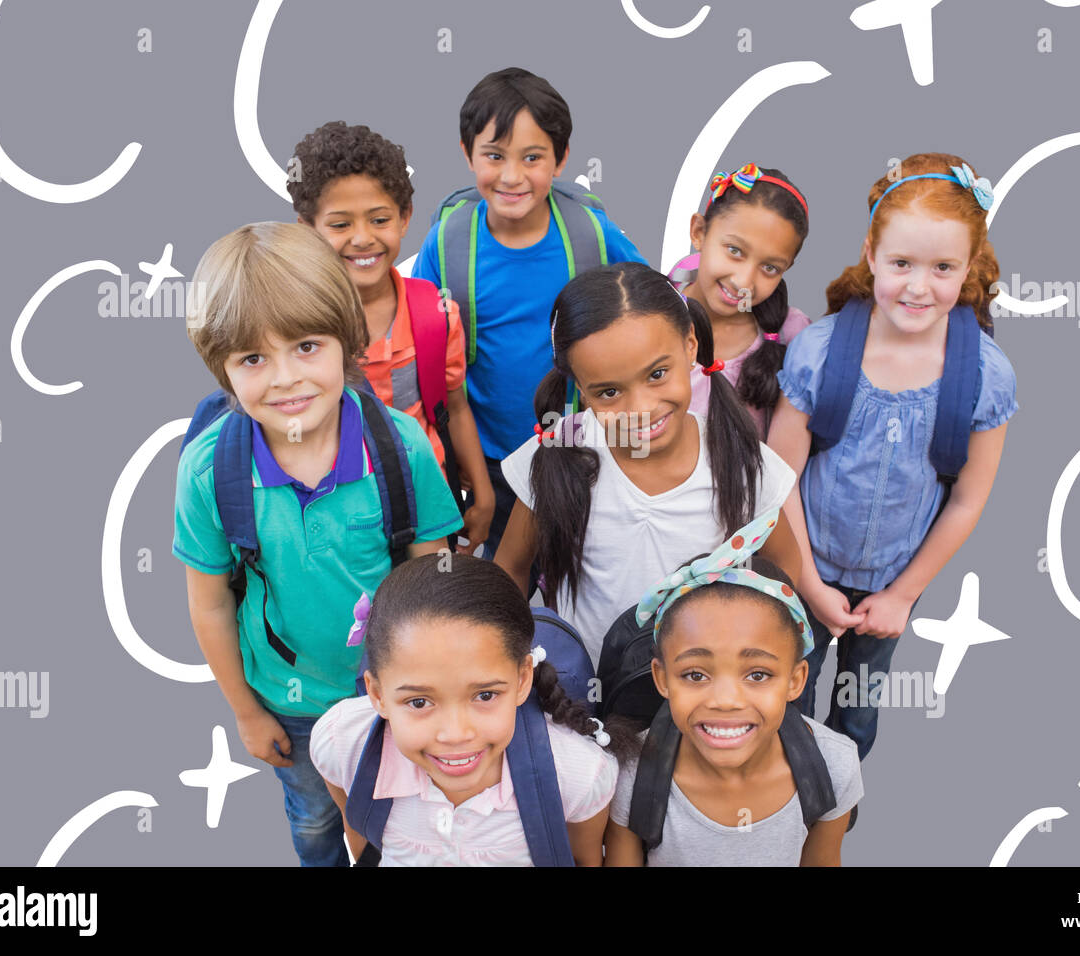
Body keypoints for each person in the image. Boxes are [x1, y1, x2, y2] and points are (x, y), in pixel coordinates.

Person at [174, 222, 462, 865]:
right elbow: (211, 603)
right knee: (314, 824)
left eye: (306, 346)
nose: (284, 379)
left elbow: (437, 581)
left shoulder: (401, 449)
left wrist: (436, 694)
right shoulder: (206, 473)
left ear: (346, 342)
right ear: (222, 368)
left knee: (400, 827)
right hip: (288, 701)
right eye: (253, 359)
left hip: (397, 697)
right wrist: (246, 712)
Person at [766, 153, 1019, 759]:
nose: (918, 285)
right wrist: (807, 583)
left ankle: (833, 818)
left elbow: (967, 500)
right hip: (803, 568)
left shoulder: (985, 376)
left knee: (857, 715)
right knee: (781, 709)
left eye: (942, 267)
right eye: (901, 262)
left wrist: (903, 595)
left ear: (969, 267)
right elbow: (777, 478)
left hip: (899, 577)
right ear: (871, 253)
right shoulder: (820, 352)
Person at [494, 261, 801, 666]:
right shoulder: (555, 455)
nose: (639, 409)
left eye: (657, 374)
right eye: (608, 392)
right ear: (580, 390)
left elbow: (784, 565)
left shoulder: (742, 461)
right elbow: (510, 570)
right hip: (581, 700)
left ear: (690, 345)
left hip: (696, 700)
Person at [411, 67, 648, 558]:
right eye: (494, 156)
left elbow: (651, 305)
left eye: (533, 157)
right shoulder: (449, 242)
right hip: (488, 460)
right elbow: (427, 351)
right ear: (467, 154)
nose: (512, 176)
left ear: (561, 159)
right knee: (502, 587)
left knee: (583, 581)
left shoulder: (590, 234)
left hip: (579, 452)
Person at [310, 554, 622, 866]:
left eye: (485, 695)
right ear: (377, 694)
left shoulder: (579, 775)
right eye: (419, 702)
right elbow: (360, 834)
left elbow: (582, 859)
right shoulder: (343, 742)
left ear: (523, 677)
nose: (455, 734)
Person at [603, 511, 863, 866]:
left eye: (757, 674)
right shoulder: (630, 776)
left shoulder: (834, 766)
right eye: (695, 675)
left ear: (796, 680)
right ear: (662, 679)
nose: (725, 701)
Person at [289, 121, 495, 553]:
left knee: (424, 611)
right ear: (308, 229)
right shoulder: (292, 326)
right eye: (340, 224)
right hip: (333, 522)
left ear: (404, 219)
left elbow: (453, 408)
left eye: (379, 219)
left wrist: (482, 491)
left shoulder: (436, 314)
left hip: (425, 512)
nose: (363, 238)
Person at [669, 163, 813, 437]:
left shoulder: (793, 336)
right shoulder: (645, 317)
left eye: (770, 268)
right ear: (699, 232)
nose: (744, 282)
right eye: (734, 250)